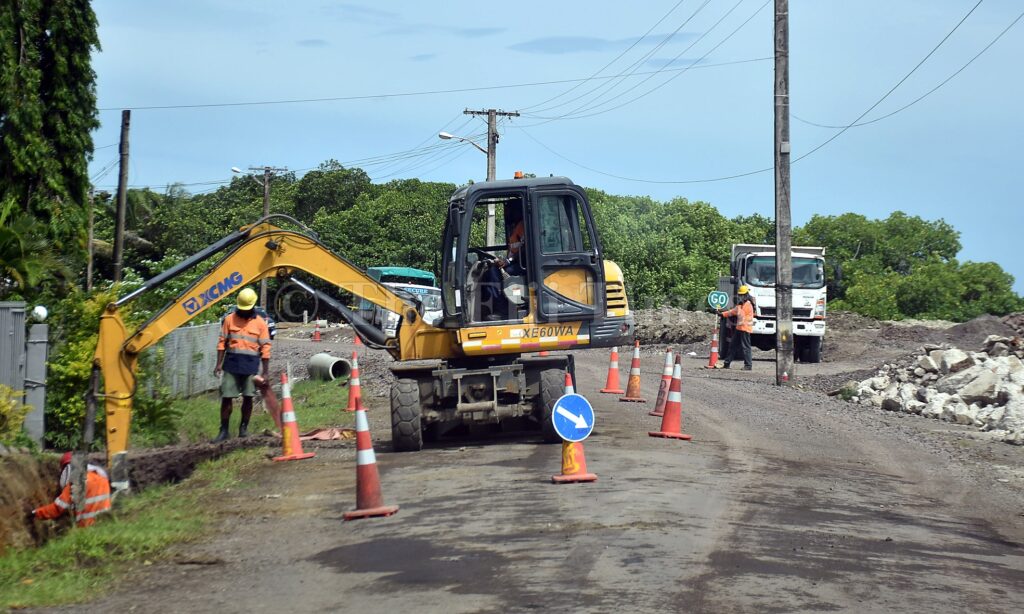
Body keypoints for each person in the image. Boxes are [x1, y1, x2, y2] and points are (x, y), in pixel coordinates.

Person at [213, 287, 271, 442]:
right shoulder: (229, 320)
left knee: (248, 397)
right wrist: (218, 364)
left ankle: (243, 429)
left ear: (252, 306)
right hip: (231, 364)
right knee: (227, 397)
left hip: (250, 366)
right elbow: (221, 343)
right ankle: (224, 430)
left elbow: (266, 348)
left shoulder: (260, 324)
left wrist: (265, 372)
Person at [27, 452, 111, 528]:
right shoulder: (102, 479)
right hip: (105, 527)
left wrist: (35, 513)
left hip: (87, 529)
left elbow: (57, 508)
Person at [717, 285, 754, 370]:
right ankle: (727, 363)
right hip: (739, 328)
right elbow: (732, 312)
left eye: (742, 295)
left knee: (745, 347)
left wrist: (738, 307)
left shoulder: (748, 304)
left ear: (746, 295)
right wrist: (722, 314)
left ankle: (748, 365)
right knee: (732, 346)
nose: (740, 296)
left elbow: (739, 313)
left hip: (745, 329)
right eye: (739, 295)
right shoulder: (741, 304)